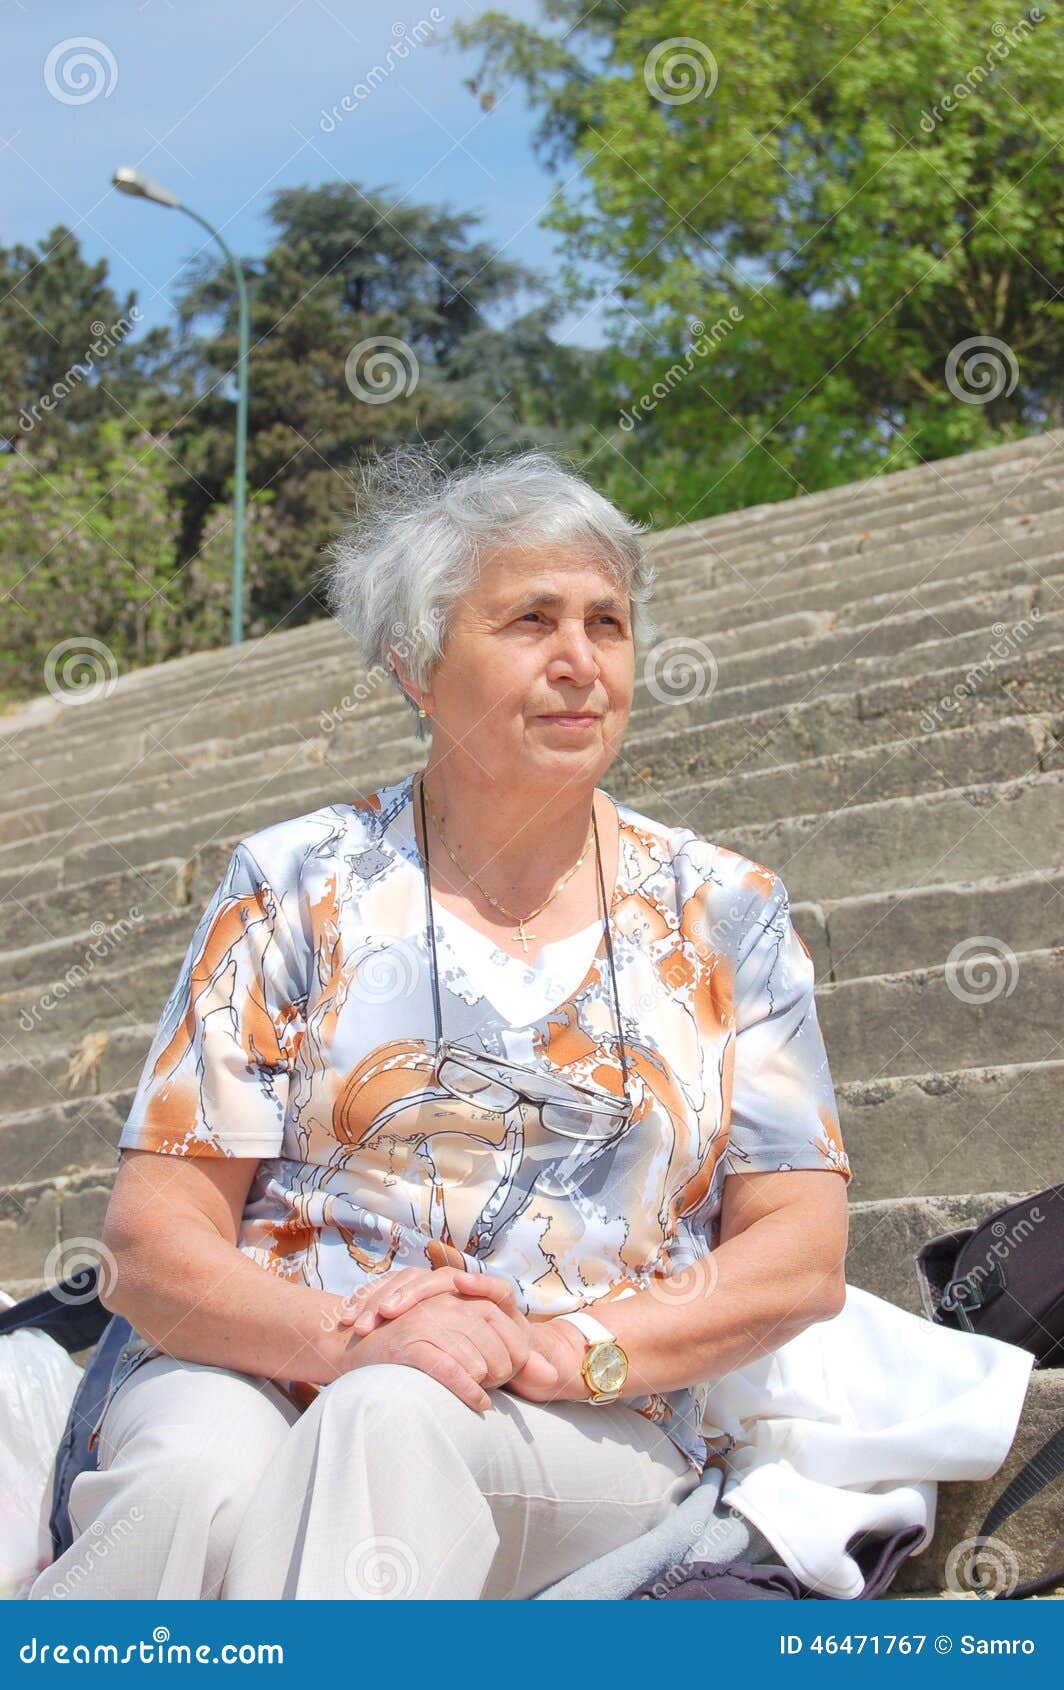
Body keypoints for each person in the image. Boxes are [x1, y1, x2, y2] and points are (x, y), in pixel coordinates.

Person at [30, 446, 851, 1601]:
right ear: (416, 666)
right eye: (528, 620)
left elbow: (799, 1255)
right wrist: (346, 1337)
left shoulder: (726, 913)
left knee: (387, 1425)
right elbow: (153, 1245)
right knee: (186, 1487)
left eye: (605, 625)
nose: (578, 663)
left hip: (584, 1409)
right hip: (271, 1352)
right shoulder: (291, 883)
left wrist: (569, 1347)